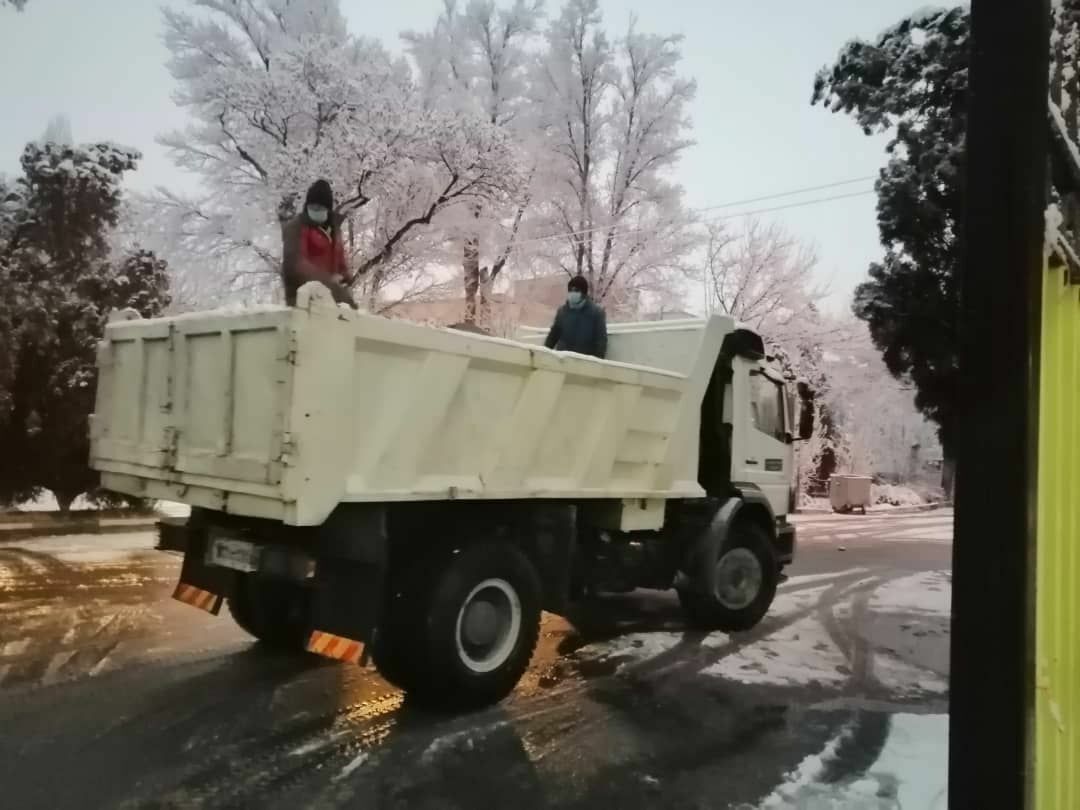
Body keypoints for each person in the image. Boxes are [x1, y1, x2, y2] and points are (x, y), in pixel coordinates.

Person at [280, 179, 356, 308]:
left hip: (330, 297)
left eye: (319, 207)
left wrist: (345, 275)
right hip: (303, 298)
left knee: (352, 310)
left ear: (327, 208)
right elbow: (296, 264)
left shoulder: (334, 230)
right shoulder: (296, 227)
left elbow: (340, 260)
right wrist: (328, 282)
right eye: (312, 207)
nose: (315, 210)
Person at [544, 275, 607, 358]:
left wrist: (597, 364)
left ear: (583, 293)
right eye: (570, 290)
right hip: (563, 361)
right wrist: (544, 354)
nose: (572, 293)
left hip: (584, 363)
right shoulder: (562, 312)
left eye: (576, 290)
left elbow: (601, 342)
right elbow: (553, 336)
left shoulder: (596, 313)